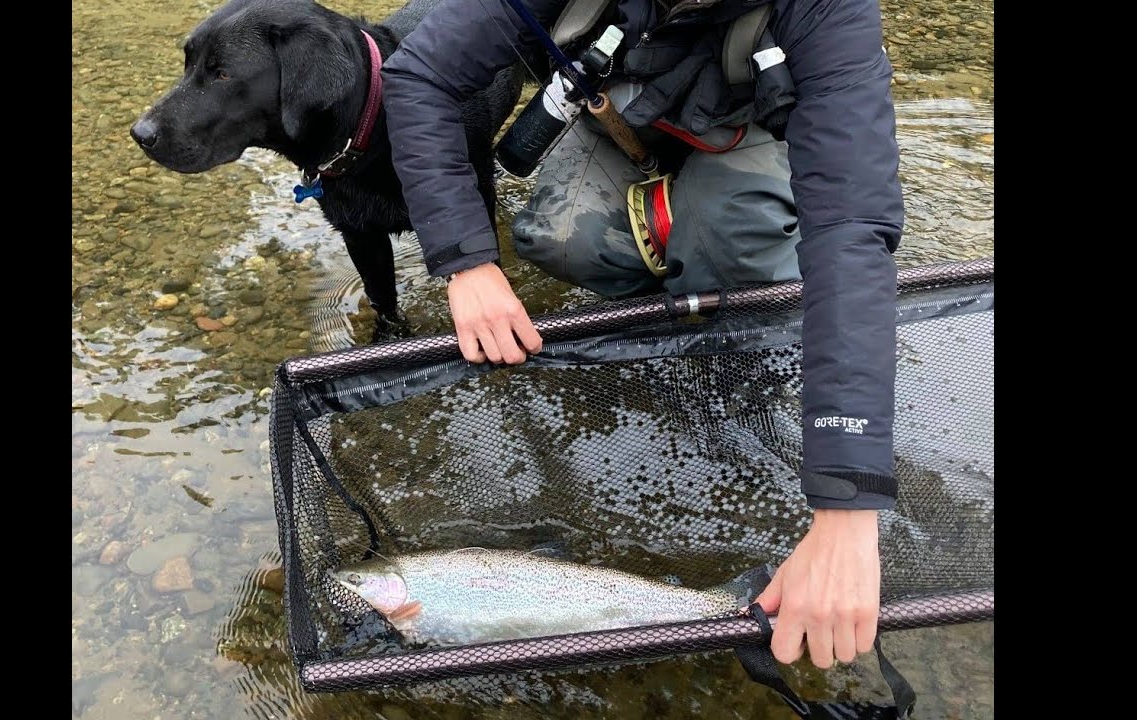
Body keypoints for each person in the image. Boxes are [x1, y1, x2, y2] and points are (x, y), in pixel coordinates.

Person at [381, 0, 903, 671]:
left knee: (731, 246)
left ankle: (724, 267)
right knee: (559, 240)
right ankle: (668, 258)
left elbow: (852, 227)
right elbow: (419, 74)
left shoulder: (828, 10)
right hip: (626, 115)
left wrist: (847, 510)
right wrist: (465, 261)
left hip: (748, 132)